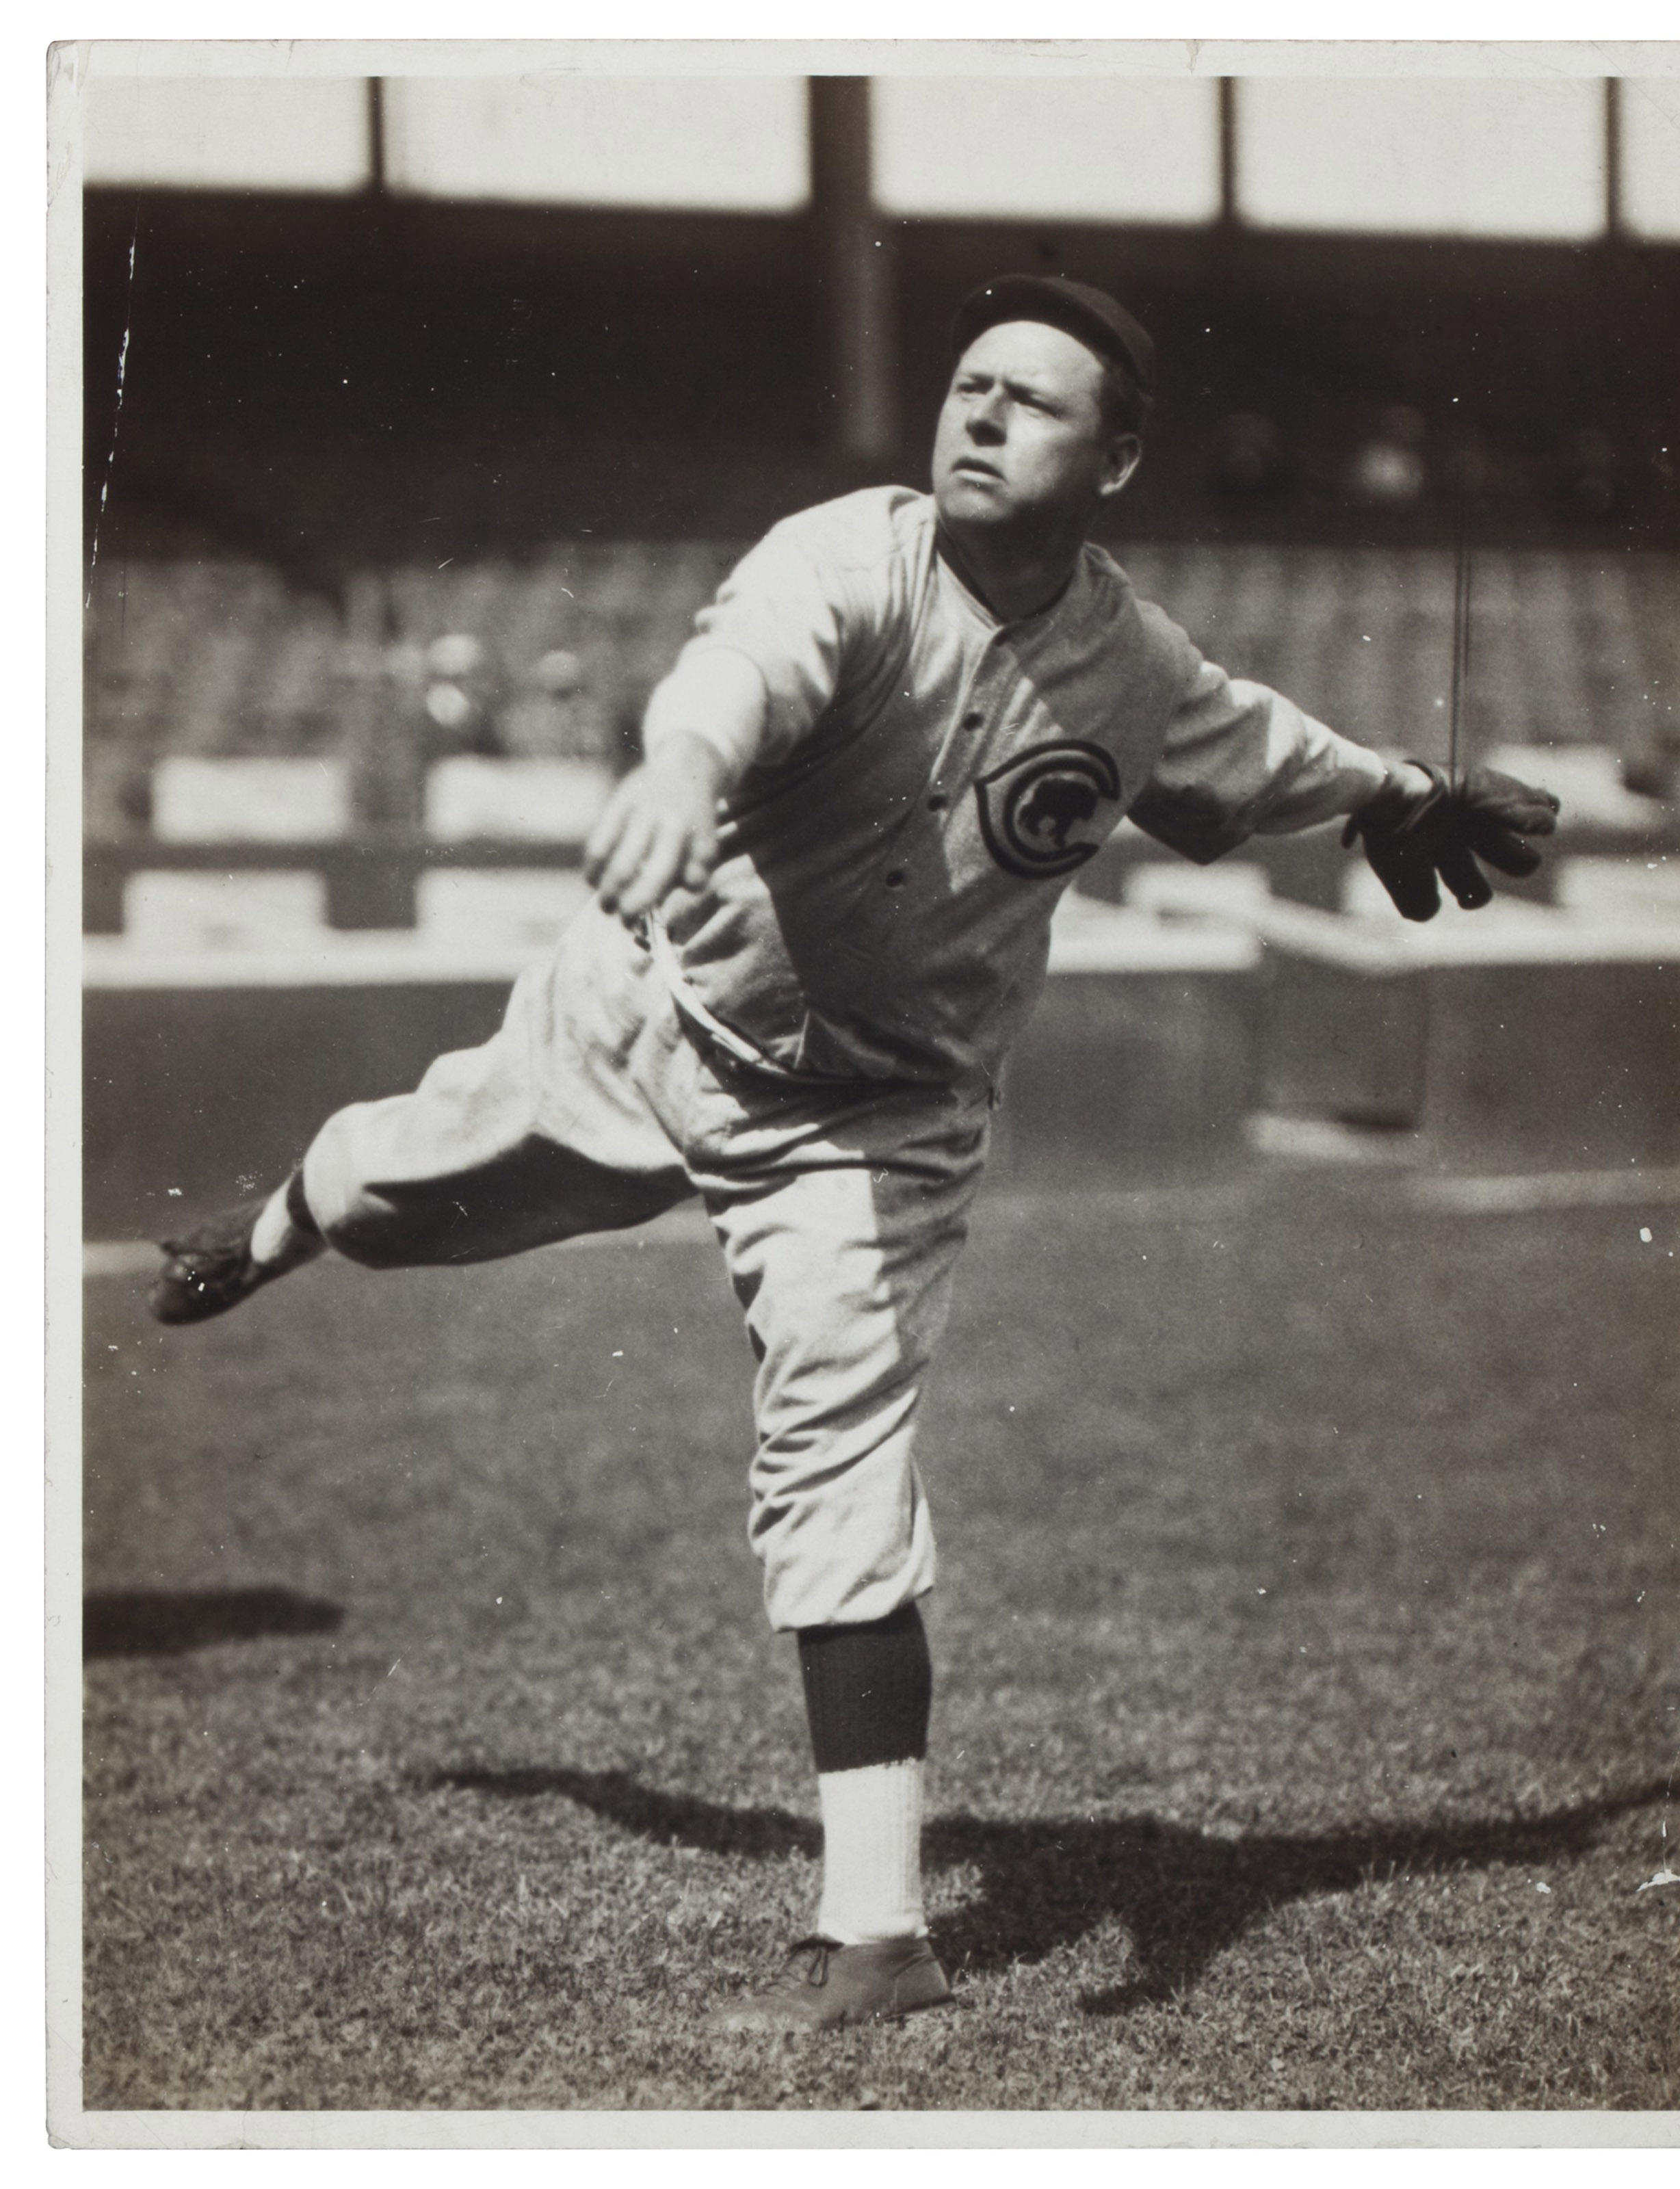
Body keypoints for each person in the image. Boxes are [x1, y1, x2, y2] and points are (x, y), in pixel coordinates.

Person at [149, 276, 1558, 2031]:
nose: (977, 414)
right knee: (388, 1190)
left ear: (1114, 462)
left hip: (874, 1126)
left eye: (1029, 403)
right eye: (966, 384)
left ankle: (875, 1924)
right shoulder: (849, 556)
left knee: (838, 1453)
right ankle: (279, 1219)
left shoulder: (1133, 663)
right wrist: (677, 768)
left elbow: (1263, 749)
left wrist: (1398, 788)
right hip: (656, 1025)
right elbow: (735, 676)